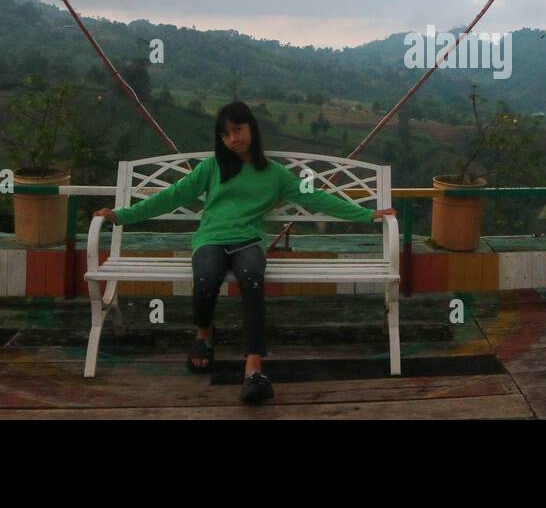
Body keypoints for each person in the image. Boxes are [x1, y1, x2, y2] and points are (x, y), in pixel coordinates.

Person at [94, 100, 395, 405]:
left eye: (238, 129)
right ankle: (204, 334)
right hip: (211, 239)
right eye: (225, 134)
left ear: (252, 127)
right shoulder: (211, 167)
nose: (233, 139)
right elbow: (172, 195)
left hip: (248, 241)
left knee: (252, 278)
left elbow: (316, 197)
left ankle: (253, 368)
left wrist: (366, 215)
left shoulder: (276, 175)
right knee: (206, 278)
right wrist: (122, 215)